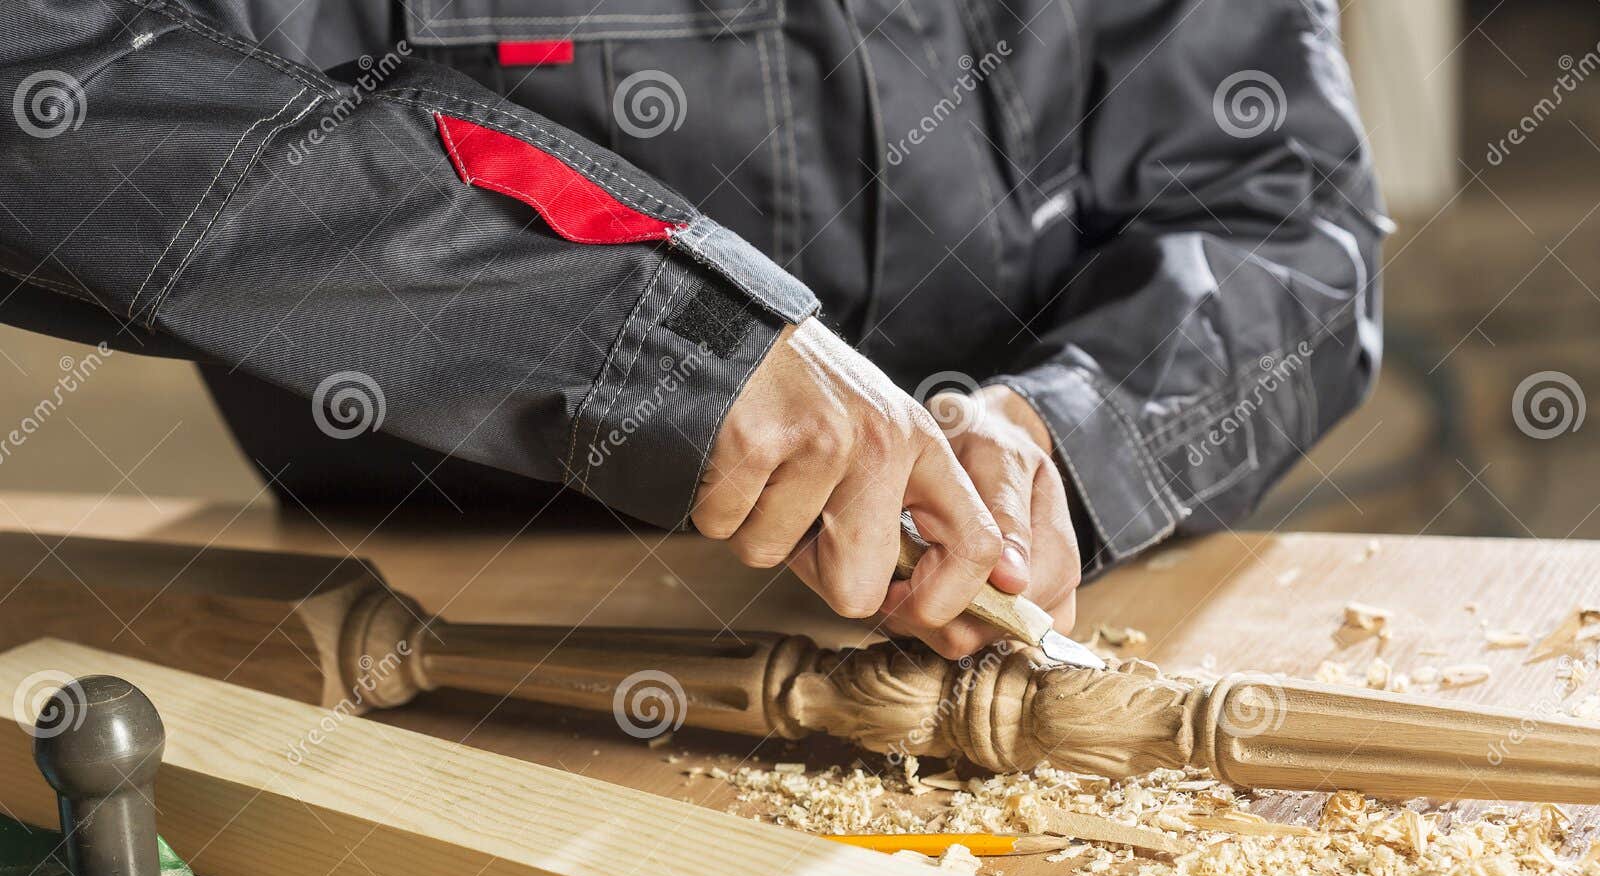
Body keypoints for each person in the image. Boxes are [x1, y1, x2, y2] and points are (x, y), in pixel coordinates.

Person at [0, 1, 1383, 658]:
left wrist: (1072, 444)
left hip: (1011, 620)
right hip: (440, 649)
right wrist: (654, 342)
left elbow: (1282, 201)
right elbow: (48, 80)